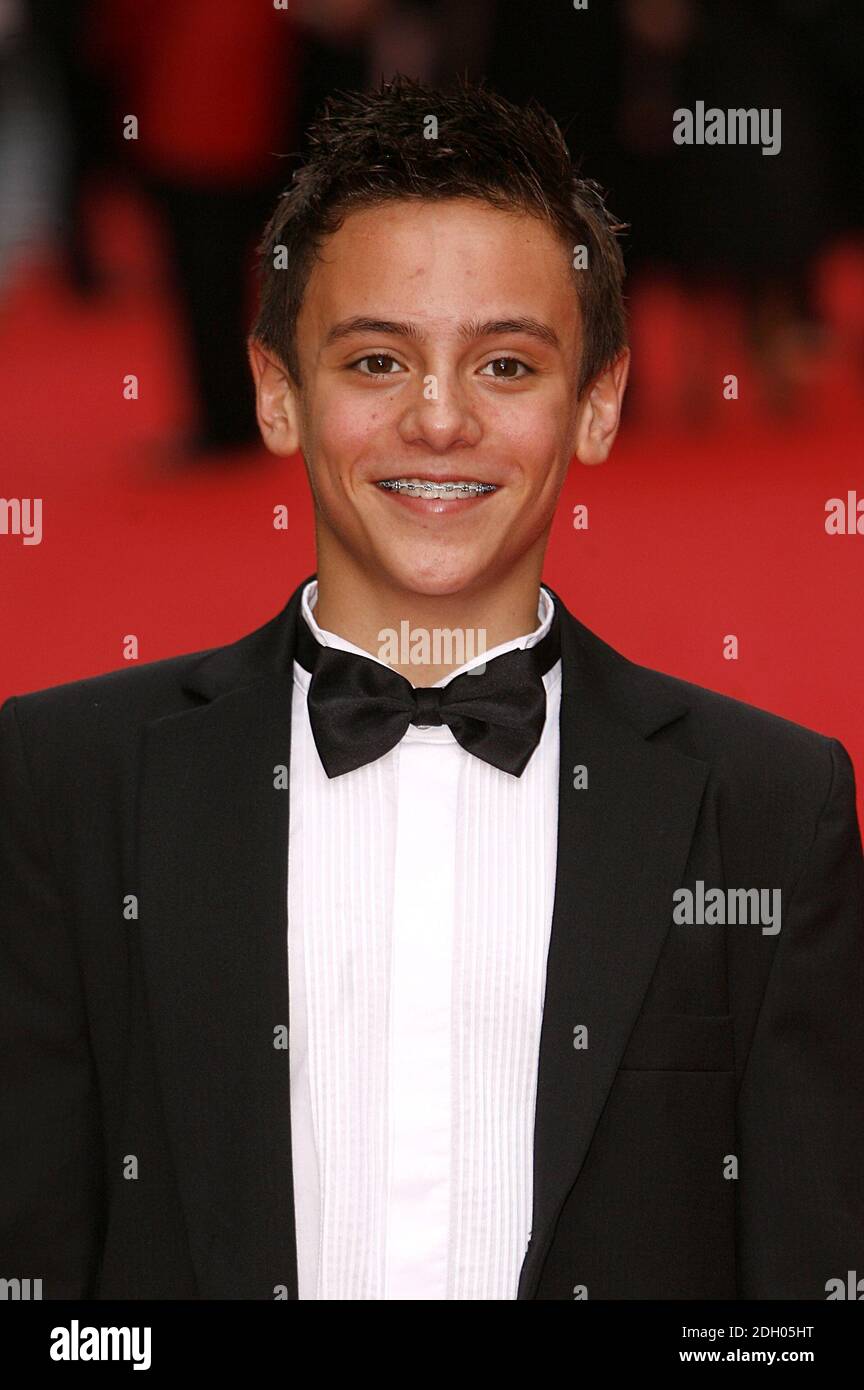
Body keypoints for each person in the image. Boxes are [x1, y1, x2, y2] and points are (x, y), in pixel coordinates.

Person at [1, 76, 862, 1301]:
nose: (440, 416)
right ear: (276, 391)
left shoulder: (773, 804)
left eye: (506, 363)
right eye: (376, 360)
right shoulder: (64, 784)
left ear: (600, 402)